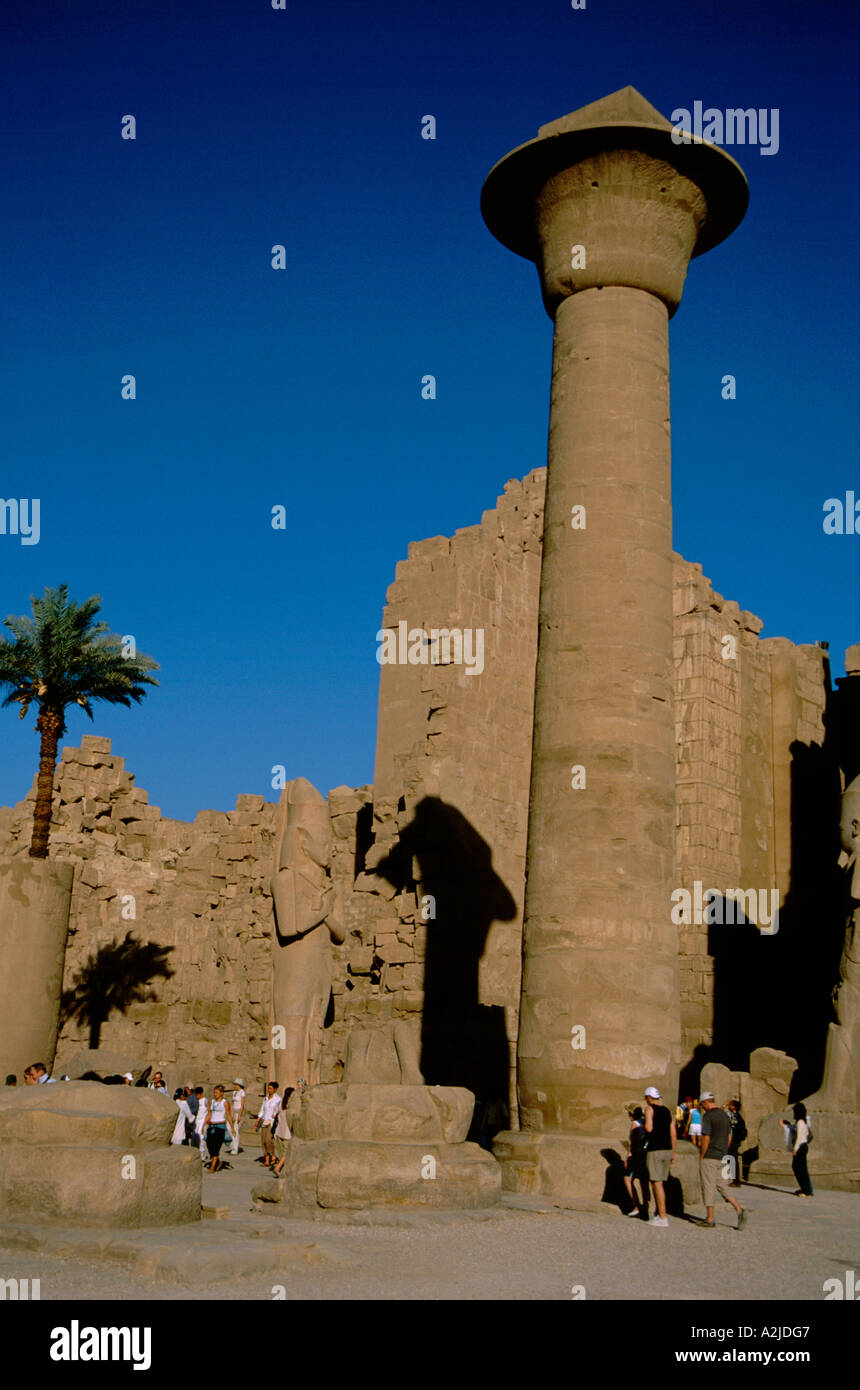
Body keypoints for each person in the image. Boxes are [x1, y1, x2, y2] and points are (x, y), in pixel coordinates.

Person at [700, 1092, 746, 1229]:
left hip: (711, 1156)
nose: (702, 1107)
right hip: (723, 1156)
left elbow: (706, 1137)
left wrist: (703, 1154)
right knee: (723, 1186)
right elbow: (729, 1136)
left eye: (702, 1104)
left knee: (708, 1186)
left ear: (706, 1102)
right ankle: (738, 1209)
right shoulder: (724, 1115)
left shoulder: (708, 1116)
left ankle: (710, 1218)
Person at [643, 1085, 676, 1227]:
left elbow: (649, 1128)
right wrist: (673, 1151)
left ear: (649, 1098)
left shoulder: (650, 1109)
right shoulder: (667, 1111)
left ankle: (663, 1217)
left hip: (655, 1148)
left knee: (657, 1183)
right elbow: (673, 1133)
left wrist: (643, 1124)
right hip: (667, 1149)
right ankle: (659, 1214)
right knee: (660, 1182)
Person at [780, 1103, 814, 1197]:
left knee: (798, 1168)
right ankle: (805, 1189)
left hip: (800, 1147)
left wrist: (795, 1149)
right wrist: (785, 1125)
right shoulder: (802, 1122)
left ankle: (806, 1190)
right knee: (801, 1168)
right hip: (802, 1146)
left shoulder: (800, 1122)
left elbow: (799, 1137)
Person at [623, 1105, 650, 1219]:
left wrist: (628, 1156)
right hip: (646, 1154)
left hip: (636, 1155)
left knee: (628, 1179)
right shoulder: (646, 1123)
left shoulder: (635, 1124)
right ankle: (646, 1208)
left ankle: (637, 1206)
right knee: (644, 1182)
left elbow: (633, 1143)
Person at [205, 1085, 235, 1173]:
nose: (215, 1094)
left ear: (222, 1093)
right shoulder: (212, 1101)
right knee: (209, 1144)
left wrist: (232, 1127)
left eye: (217, 1093)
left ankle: (213, 1166)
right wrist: (204, 1124)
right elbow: (209, 1114)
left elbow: (228, 1115)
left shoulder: (224, 1103)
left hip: (220, 1126)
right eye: (214, 1092)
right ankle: (217, 1161)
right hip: (212, 1125)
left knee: (216, 1147)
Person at [255, 1082, 281, 1167]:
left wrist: (275, 1115)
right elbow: (262, 1111)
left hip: (271, 1122)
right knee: (263, 1141)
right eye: (268, 1088)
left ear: (275, 1089)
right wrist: (257, 1122)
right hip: (264, 1121)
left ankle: (273, 1155)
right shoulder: (265, 1098)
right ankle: (266, 1160)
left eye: (270, 1088)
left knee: (268, 1140)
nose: (269, 1090)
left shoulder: (278, 1099)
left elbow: (278, 1110)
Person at [271, 1088, 295, 1178]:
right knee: (287, 1153)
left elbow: (274, 1115)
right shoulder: (292, 1105)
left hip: (279, 1131)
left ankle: (283, 1171)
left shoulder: (280, 1103)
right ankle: (277, 1168)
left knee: (282, 1154)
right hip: (287, 1133)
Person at [726, 1099, 747, 1186]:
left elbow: (731, 1131)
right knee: (731, 1159)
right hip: (735, 1140)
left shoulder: (734, 1117)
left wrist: (729, 1142)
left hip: (733, 1140)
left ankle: (736, 1181)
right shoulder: (737, 1116)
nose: (728, 1106)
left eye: (730, 1105)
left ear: (734, 1107)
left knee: (732, 1159)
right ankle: (734, 1180)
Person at [230, 1078, 245, 1156]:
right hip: (233, 1112)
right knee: (229, 1128)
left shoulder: (242, 1092)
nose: (235, 1086)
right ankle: (233, 1143)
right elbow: (232, 1103)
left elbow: (242, 1104)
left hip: (238, 1112)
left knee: (236, 1129)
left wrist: (239, 1115)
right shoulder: (234, 1092)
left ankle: (235, 1148)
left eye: (236, 1084)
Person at [194, 1087, 209, 1160]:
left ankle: (202, 1155)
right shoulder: (196, 1101)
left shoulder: (205, 1101)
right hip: (197, 1120)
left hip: (203, 1121)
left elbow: (209, 1112)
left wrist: (204, 1124)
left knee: (201, 1138)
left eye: (198, 1095)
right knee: (196, 1138)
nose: (197, 1096)